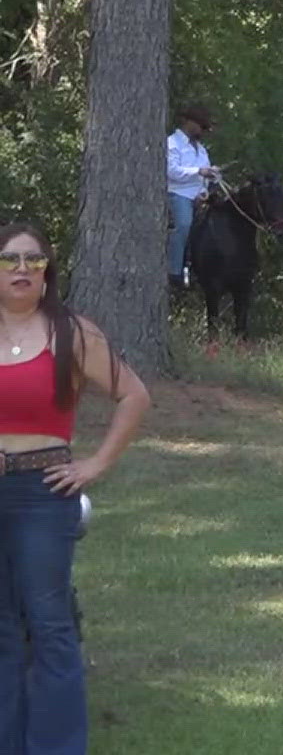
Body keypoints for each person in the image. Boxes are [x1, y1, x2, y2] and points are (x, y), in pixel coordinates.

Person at [0, 223, 153, 754]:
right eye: (9, 259)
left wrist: (96, 464)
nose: (21, 269)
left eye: (33, 259)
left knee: (49, 623)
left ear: (48, 271)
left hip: (43, 492)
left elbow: (134, 396)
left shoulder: (71, 332)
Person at [165, 104, 218, 291]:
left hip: (199, 197)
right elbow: (172, 172)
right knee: (184, 224)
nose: (202, 131)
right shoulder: (172, 144)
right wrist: (199, 171)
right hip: (178, 193)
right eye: (201, 127)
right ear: (189, 123)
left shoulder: (201, 150)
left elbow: (205, 176)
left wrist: (206, 189)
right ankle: (174, 270)